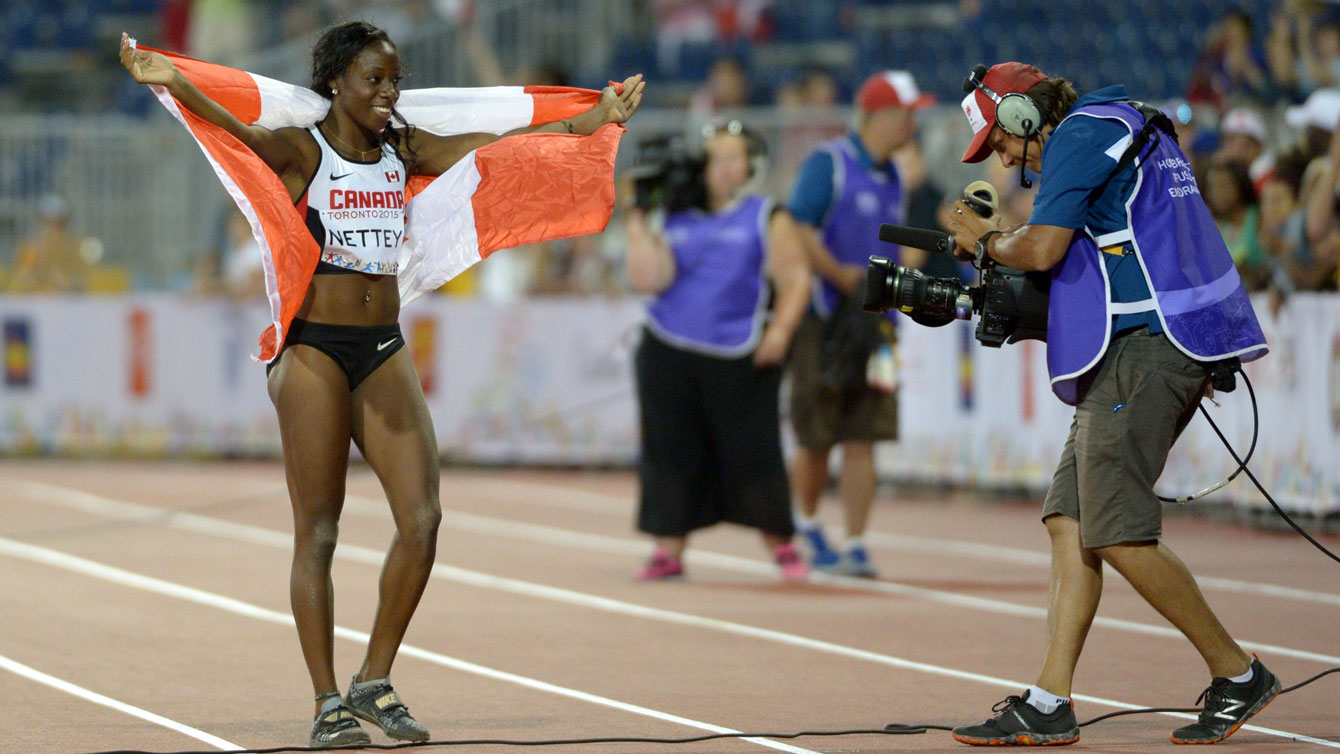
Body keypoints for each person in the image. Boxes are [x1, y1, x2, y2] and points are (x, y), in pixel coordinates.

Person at [120, 22, 644, 747]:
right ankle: (325, 701)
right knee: (321, 532)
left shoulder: (403, 148)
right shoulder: (307, 150)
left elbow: (497, 146)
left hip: (382, 344)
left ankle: (374, 679)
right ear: (336, 82)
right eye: (374, 80)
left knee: (422, 519)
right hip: (314, 349)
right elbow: (238, 133)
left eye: (395, 80)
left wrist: (590, 121)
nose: (389, 93)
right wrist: (175, 82)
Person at [947, 62, 1275, 747]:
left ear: (1022, 118)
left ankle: (1237, 672)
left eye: (1001, 144)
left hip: (1151, 343)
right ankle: (1048, 700)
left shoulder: (1081, 133)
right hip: (1162, 338)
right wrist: (1007, 243)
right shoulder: (1116, 123)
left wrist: (986, 242)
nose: (1004, 158)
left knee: (1115, 527)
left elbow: (1041, 248)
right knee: (1071, 516)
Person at [624, 121, 811, 582]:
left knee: (754, 452)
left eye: (734, 157)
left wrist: (781, 332)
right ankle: (668, 548)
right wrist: (637, 221)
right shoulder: (674, 214)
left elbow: (796, 279)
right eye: (715, 157)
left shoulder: (768, 216)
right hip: (668, 348)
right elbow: (651, 280)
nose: (723, 166)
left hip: (740, 354)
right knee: (669, 451)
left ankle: (781, 544)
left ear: (752, 164)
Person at [785, 70, 932, 578]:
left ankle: (855, 542)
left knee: (867, 432)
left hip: (881, 324)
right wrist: (837, 274)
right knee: (817, 432)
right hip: (825, 319)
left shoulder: (897, 176)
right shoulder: (830, 164)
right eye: (908, 114)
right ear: (881, 115)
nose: (913, 124)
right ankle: (805, 523)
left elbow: (899, 245)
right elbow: (796, 223)